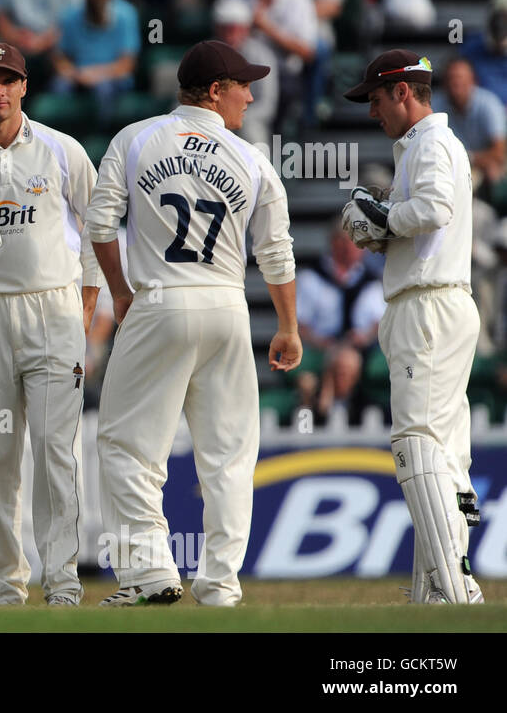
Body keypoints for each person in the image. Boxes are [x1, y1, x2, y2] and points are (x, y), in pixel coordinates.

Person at [88, 40, 300, 607]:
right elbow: (277, 253)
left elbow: (100, 223)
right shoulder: (252, 157)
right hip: (228, 307)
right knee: (228, 457)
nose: (251, 97)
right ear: (214, 91)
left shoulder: (135, 139)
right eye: (243, 86)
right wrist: (288, 326)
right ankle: (221, 585)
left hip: (159, 300)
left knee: (129, 448)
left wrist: (120, 291)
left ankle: (151, 571)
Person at [0, 43, 102, 606]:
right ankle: (2, 581)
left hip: (54, 310)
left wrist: (86, 305)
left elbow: (101, 228)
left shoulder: (62, 150)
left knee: (55, 450)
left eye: (9, 81)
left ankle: (63, 579)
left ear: (24, 87)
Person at [340, 50, 484, 604]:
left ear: (403, 92)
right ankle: (440, 584)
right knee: (443, 451)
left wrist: (381, 217)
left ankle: (453, 588)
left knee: (415, 442)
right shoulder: (424, 147)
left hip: (427, 307)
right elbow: (422, 221)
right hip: (438, 303)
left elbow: (432, 210)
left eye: (376, 99)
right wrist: (381, 233)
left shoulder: (430, 143)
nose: (373, 112)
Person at [295, 228, 386, 423]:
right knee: (308, 382)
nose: (348, 248)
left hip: (360, 348)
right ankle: (309, 423)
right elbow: (298, 323)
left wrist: (364, 337)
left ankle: (340, 412)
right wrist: (319, 342)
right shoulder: (312, 278)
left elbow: (381, 322)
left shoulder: (372, 282)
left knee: (347, 361)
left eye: (353, 242)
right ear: (332, 243)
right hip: (321, 346)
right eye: (342, 241)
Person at [223, 0, 316, 135]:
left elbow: (307, 51)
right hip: (243, 67)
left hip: (284, 74)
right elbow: (224, 22)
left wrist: (267, 28)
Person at [52, 0, 139, 117]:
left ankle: (103, 133)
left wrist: (96, 75)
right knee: (59, 86)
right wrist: (73, 72)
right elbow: (59, 58)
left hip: (112, 77)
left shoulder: (126, 14)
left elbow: (127, 64)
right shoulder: (70, 16)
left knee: (103, 89)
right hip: (78, 75)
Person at [213, 0, 278, 150]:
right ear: (217, 28)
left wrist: (233, 116)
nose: (231, 34)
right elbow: (185, 97)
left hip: (247, 120)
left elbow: (267, 105)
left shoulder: (263, 55)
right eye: (226, 28)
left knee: (252, 130)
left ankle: (260, 174)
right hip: (210, 120)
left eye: (236, 28)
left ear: (246, 29)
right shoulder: (204, 54)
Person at [433, 58, 506, 192]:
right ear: (444, 83)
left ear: (472, 81)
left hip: (482, 167)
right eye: (450, 78)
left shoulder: (489, 104)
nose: (455, 82)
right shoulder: (435, 105)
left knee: (492, 172)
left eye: (460, 78)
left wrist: (468, 158)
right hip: (452, 168)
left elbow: (499, 153)